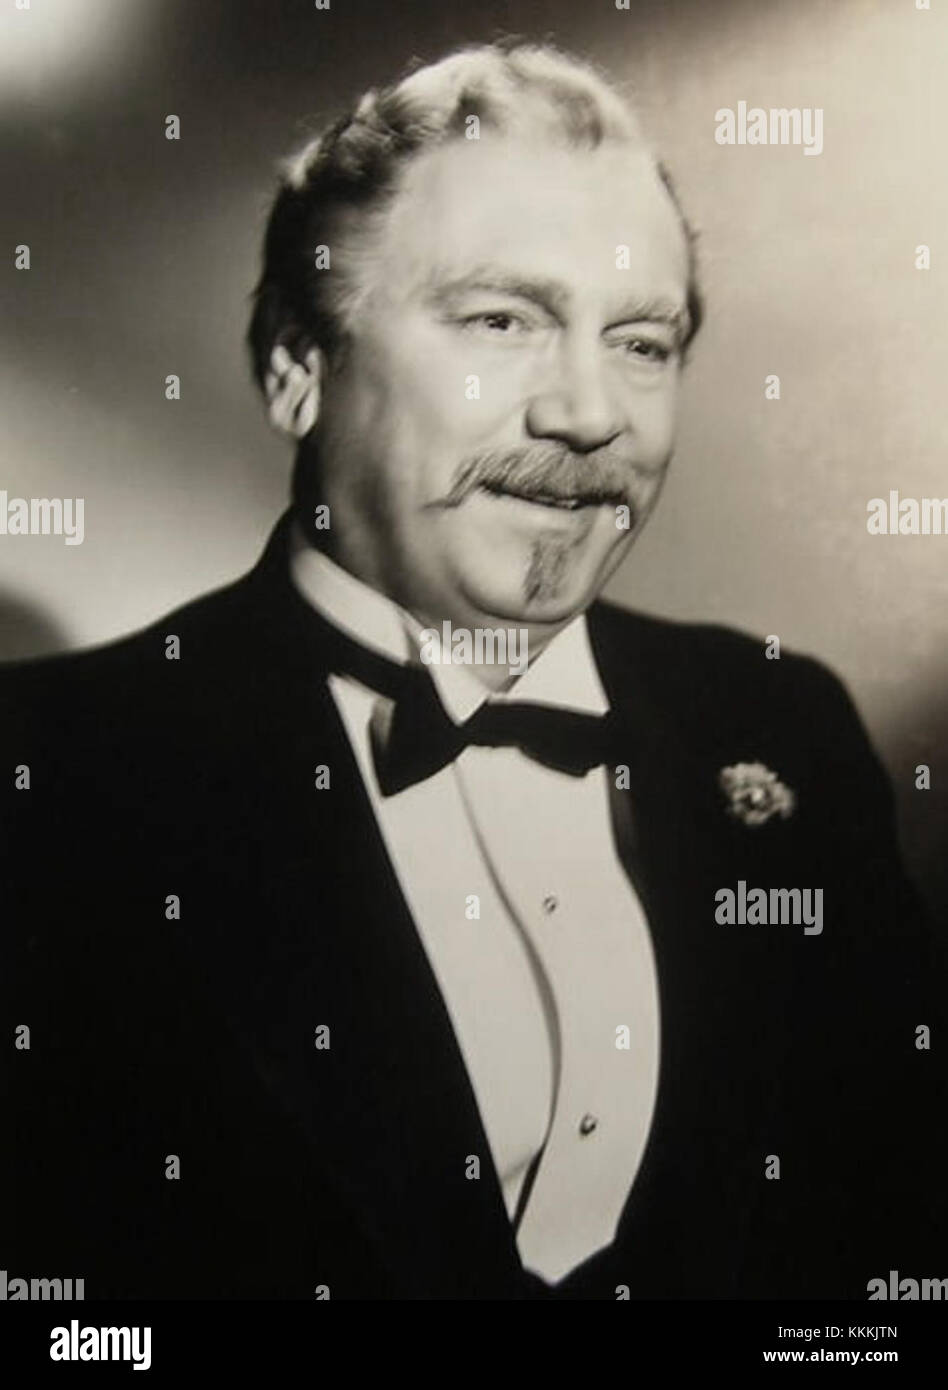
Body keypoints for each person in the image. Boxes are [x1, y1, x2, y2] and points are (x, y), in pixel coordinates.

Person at [1, 42, 944, 1301]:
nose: (590, 413)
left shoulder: (782, 728)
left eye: (644, 344)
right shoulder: (53, 773)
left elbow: (888, 1256)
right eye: (503, 320)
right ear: (296, 365)